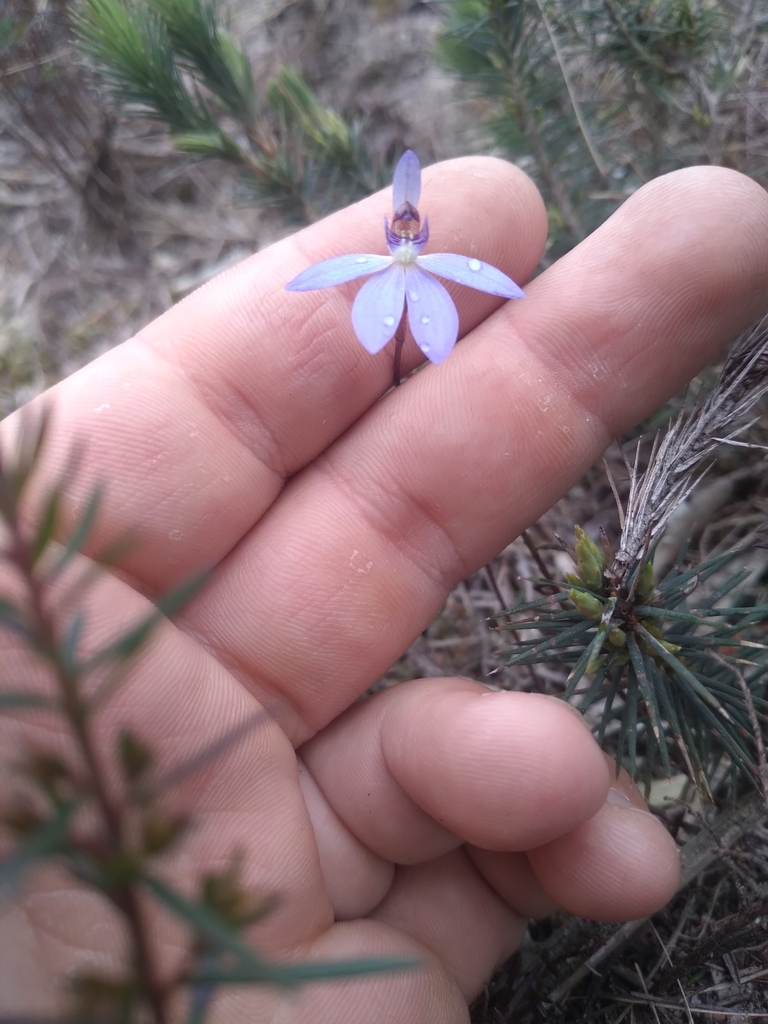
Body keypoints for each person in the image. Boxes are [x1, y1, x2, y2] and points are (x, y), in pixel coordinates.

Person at [1, 156, 767, 1023]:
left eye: (412, 224)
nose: (406, 230)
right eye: (402, 224)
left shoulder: (429, 271)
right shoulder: (371, 274)